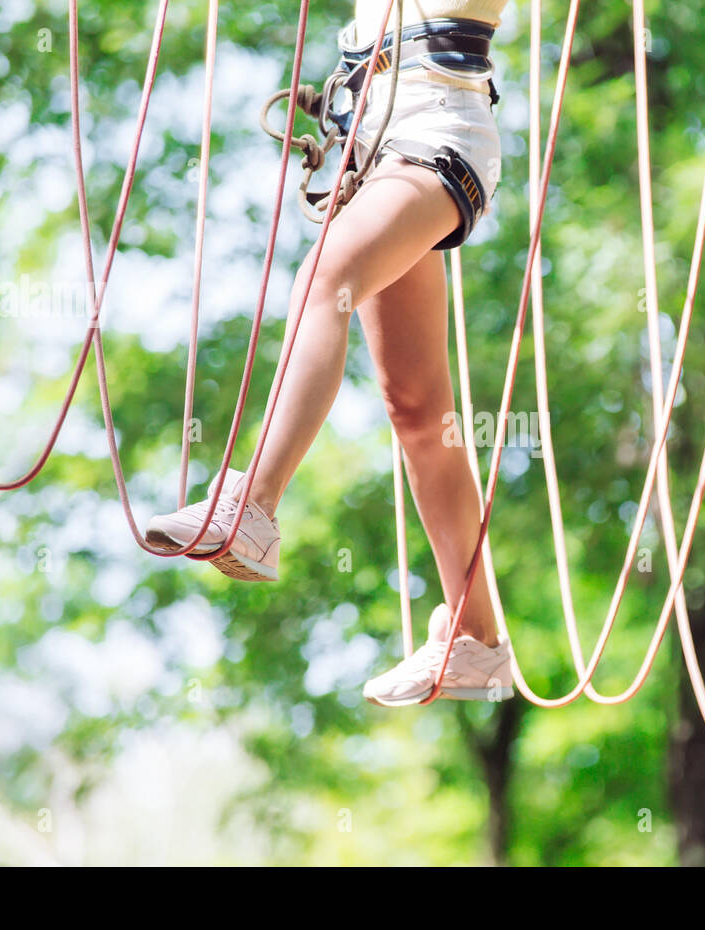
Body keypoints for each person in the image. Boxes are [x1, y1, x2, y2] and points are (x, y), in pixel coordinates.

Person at [144, 1, 514, 707]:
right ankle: (477, 640)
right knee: (416, 409)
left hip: (438, 126)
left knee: (323, 282)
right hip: (371, 144)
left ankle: (253, 505)